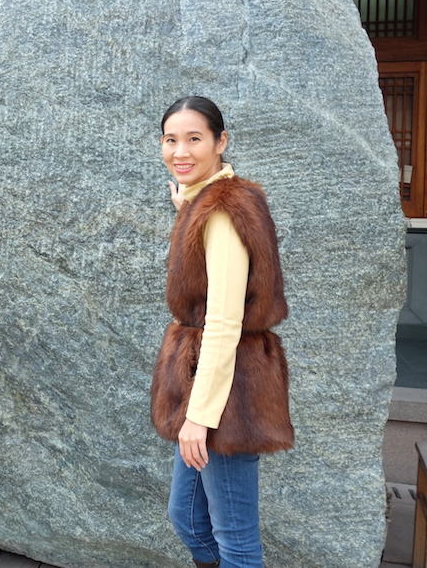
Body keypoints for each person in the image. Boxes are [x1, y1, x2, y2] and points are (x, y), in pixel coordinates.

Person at [149, 96, 294, 568]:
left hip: (229, 397)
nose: (181, 151)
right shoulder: (208, 202)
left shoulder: (223, 214)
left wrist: (200, 416)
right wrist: (187, 203)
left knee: (235, 539)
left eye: (195, 139)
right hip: (209, 388)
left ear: (221, 142)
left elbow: (225, 322)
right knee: (188, 518)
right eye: (171, 140)